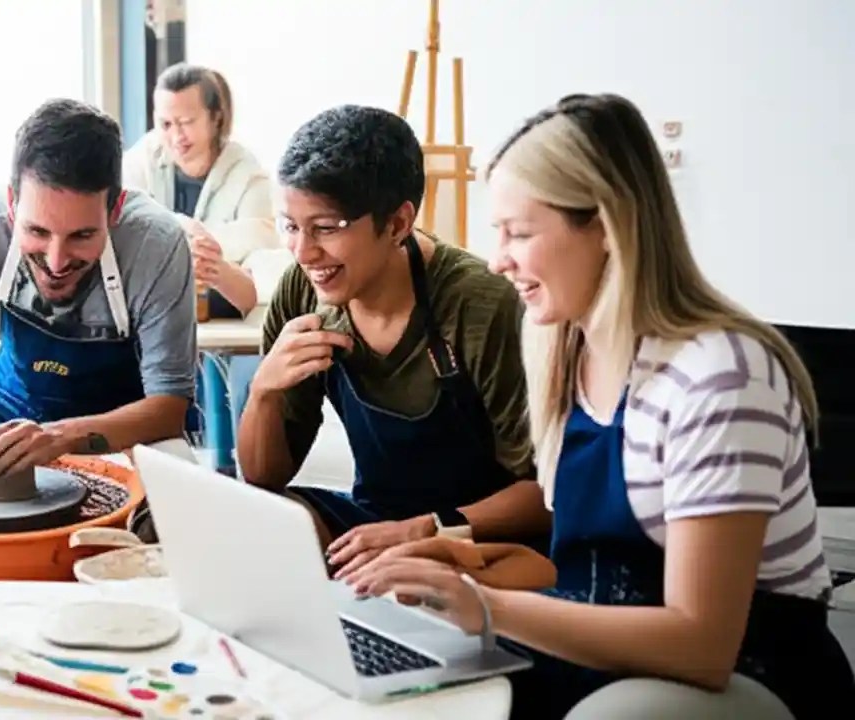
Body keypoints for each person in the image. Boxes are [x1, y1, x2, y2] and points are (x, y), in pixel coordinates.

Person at [344, 93, 855, 719]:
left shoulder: (719, 376)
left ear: (608, 228)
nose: (498, 260)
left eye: (519, 233)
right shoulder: (564, 351)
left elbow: (702, 644)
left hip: (748, 676)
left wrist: (489, 606)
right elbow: (587, 579)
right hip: (619, 654)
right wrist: (469, 564)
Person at [236, 104, 550, 574]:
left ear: (399, 224)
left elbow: (547, 494)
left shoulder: (482, 307)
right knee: (266, 518)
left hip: (479, 540)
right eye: (290, 226)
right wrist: (264, 390)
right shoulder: (303, 292)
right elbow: (264, 477)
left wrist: (428, 531)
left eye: (325, 228)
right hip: (375, 525)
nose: (303, 252)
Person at [0, 98, 196, 476]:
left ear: (115, 210)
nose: (56, 263)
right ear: (12, 204)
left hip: (121, 420)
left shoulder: (157, 245)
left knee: (168, 489)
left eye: (82, 236)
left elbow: (169, 408)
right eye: (37, 231)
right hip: (7, 402)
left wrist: (60, 437)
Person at [123, 62, 280, 475]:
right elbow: (124, 221)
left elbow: (262, 241)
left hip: (227, 305)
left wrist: (196, 244)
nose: (176, 136)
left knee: (239, 381)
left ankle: (230, 465)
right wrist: (187, 237)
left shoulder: (248, 175)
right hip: (158, 304)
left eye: (187, 122)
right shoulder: (142, 160)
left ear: (216, 118)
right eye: (166, 123)